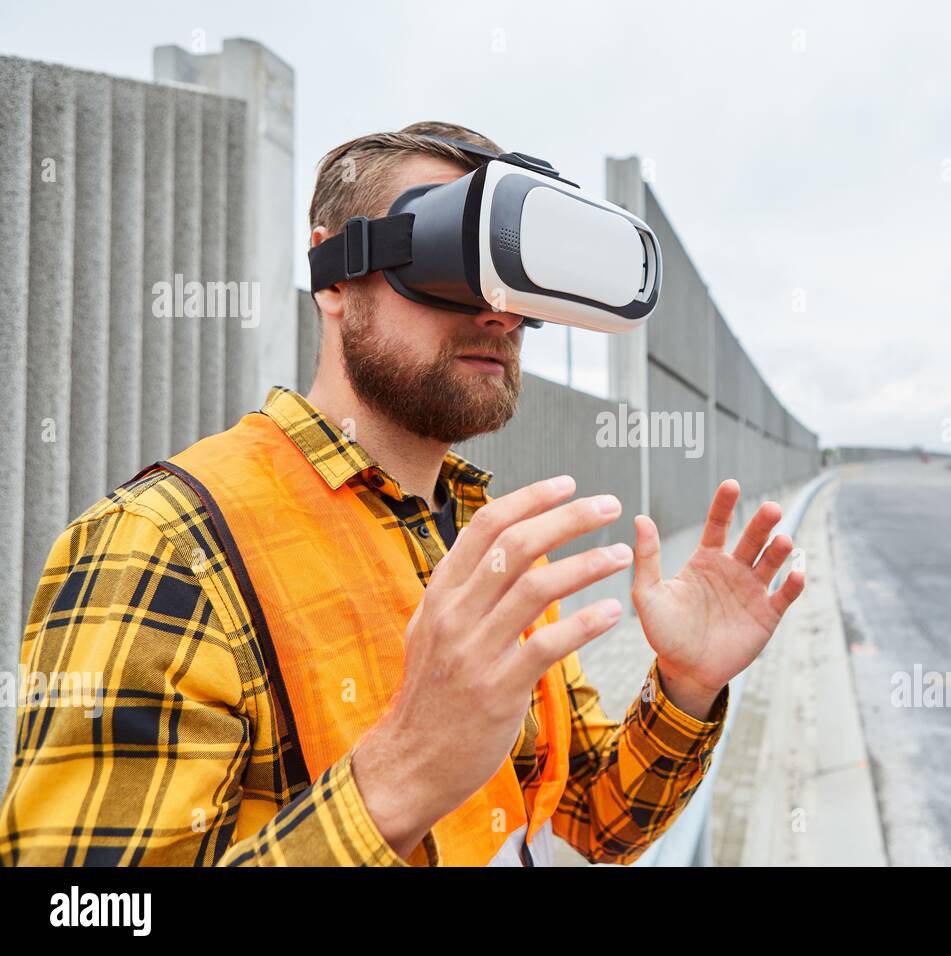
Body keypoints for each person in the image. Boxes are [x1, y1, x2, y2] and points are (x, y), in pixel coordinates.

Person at [0, 121, 805, 866]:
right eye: (452, 260)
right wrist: (397, 781)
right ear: (334, 278)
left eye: (516, 281)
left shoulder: (488, 541)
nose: (497, 312)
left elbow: (600, 819)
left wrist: (687, 688)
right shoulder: (161, 544)